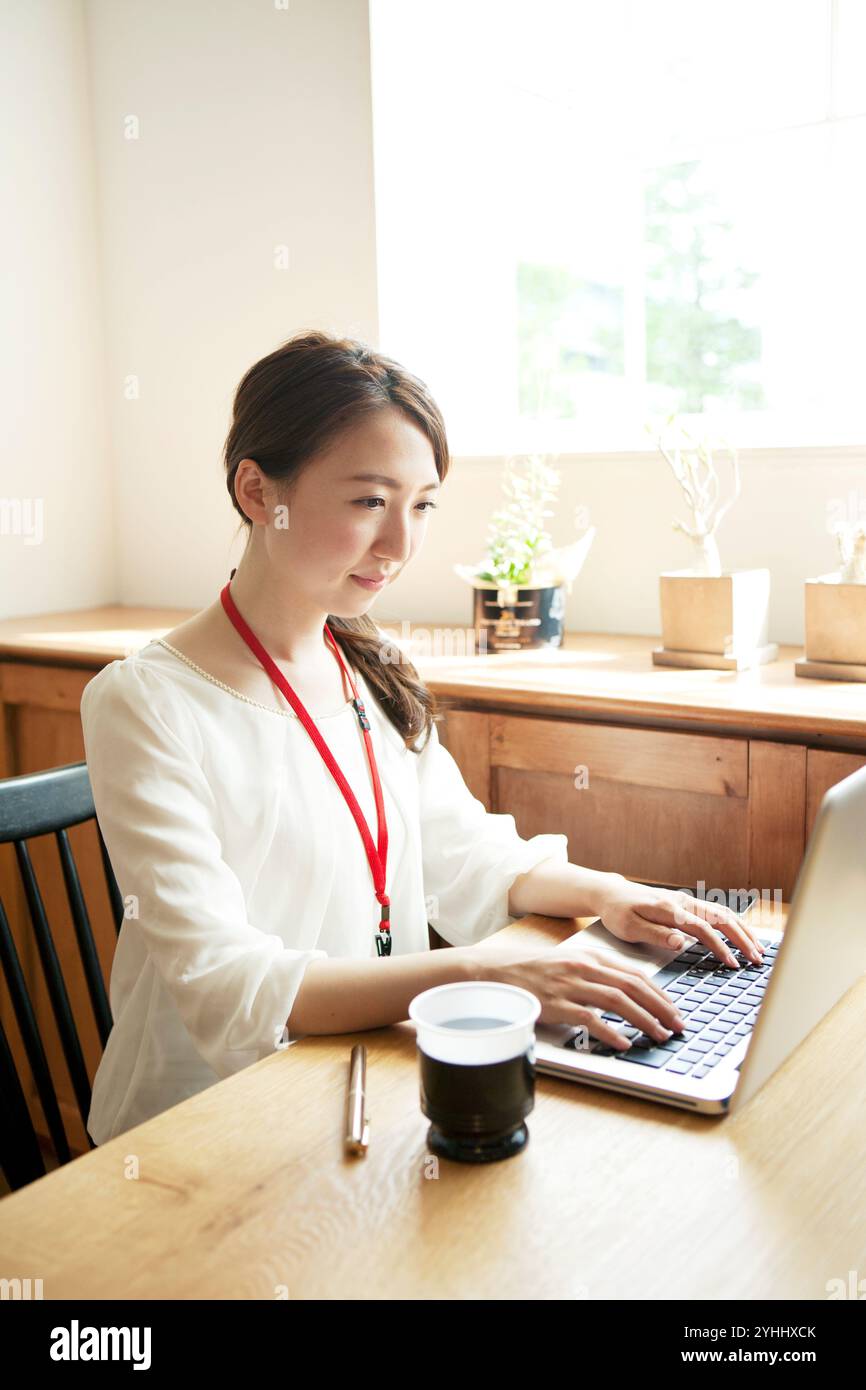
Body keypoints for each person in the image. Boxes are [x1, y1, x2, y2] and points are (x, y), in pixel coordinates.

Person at [80, 330, 764, 1143]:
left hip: (359, 1083)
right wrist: (482, 972)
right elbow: (224, 984)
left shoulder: (370, 665)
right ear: (259, 492)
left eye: (422, 505)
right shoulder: (146, 702)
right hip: (200, 1131)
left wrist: (611, 893)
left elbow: (463, 851)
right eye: (369, 501)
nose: (401, 546)